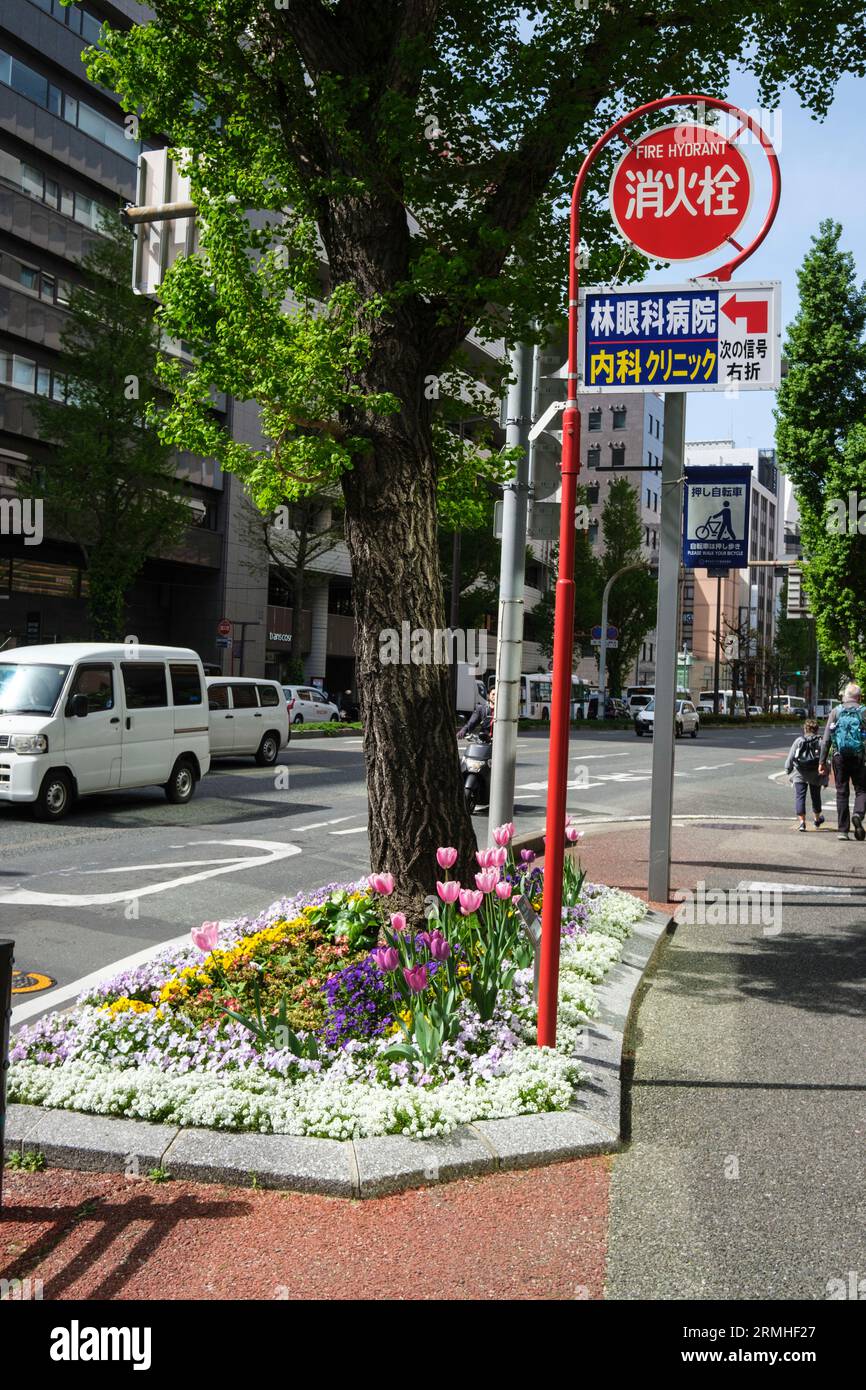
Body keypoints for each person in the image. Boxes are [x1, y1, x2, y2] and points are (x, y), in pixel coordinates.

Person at [818, 682, 866, 841]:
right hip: (860, 756)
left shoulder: (836, 711)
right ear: (859, 697)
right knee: (862, 789)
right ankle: (858, 814)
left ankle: (843, 831)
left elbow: (826, 739)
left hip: (839, 757)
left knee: (842, 792)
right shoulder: (864, 711)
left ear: (845, 696)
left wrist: (822, 761)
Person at [784, 717, 826, 832]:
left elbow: (791, 757)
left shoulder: (799, 740)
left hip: (800, 773)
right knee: (816, 797)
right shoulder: (821, 741)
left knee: (800, 797)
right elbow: (825, 759)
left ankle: (802, 823)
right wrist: (826, 776)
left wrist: (788, 769)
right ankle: (817, 820)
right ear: (817, 730)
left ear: (805, 729)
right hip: (815, 773)